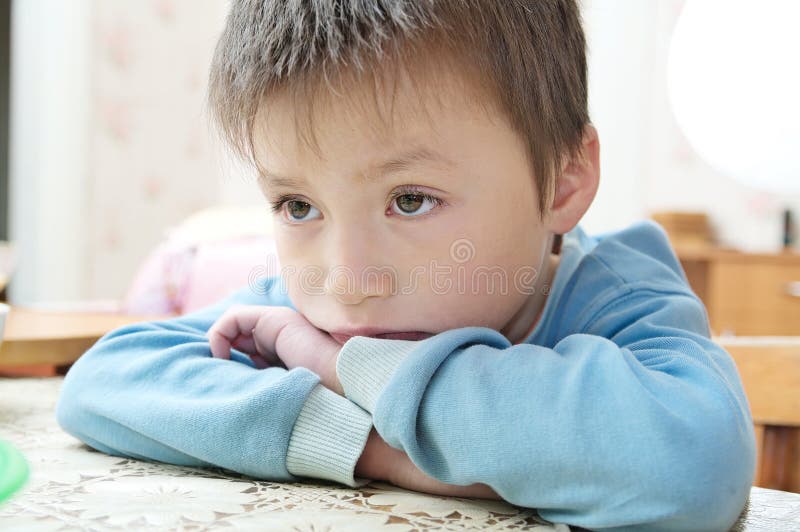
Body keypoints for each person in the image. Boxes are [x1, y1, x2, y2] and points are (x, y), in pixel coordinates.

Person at [56, 1, 755, 529]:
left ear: (563, 182)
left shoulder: (617, 293)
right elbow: (105, 381)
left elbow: (696, 463)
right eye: (298, 206)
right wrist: (366, 444)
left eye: (411, 199)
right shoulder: (307, 306)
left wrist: (343, 371)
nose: (347, 280)